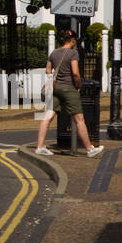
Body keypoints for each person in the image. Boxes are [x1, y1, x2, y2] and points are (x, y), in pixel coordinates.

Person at [35, 29, 104, 158]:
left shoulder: (54, 52)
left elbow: (48, 70)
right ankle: (90, 149)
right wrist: (78, 85)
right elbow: (75, 73)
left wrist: (53, 79)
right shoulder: (73, 53)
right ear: (72, 40)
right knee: (79, 120)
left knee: (47, 116)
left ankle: (40, 146)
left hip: (55, 87)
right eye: (75, 40)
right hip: (68, 88)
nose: (75, 42)